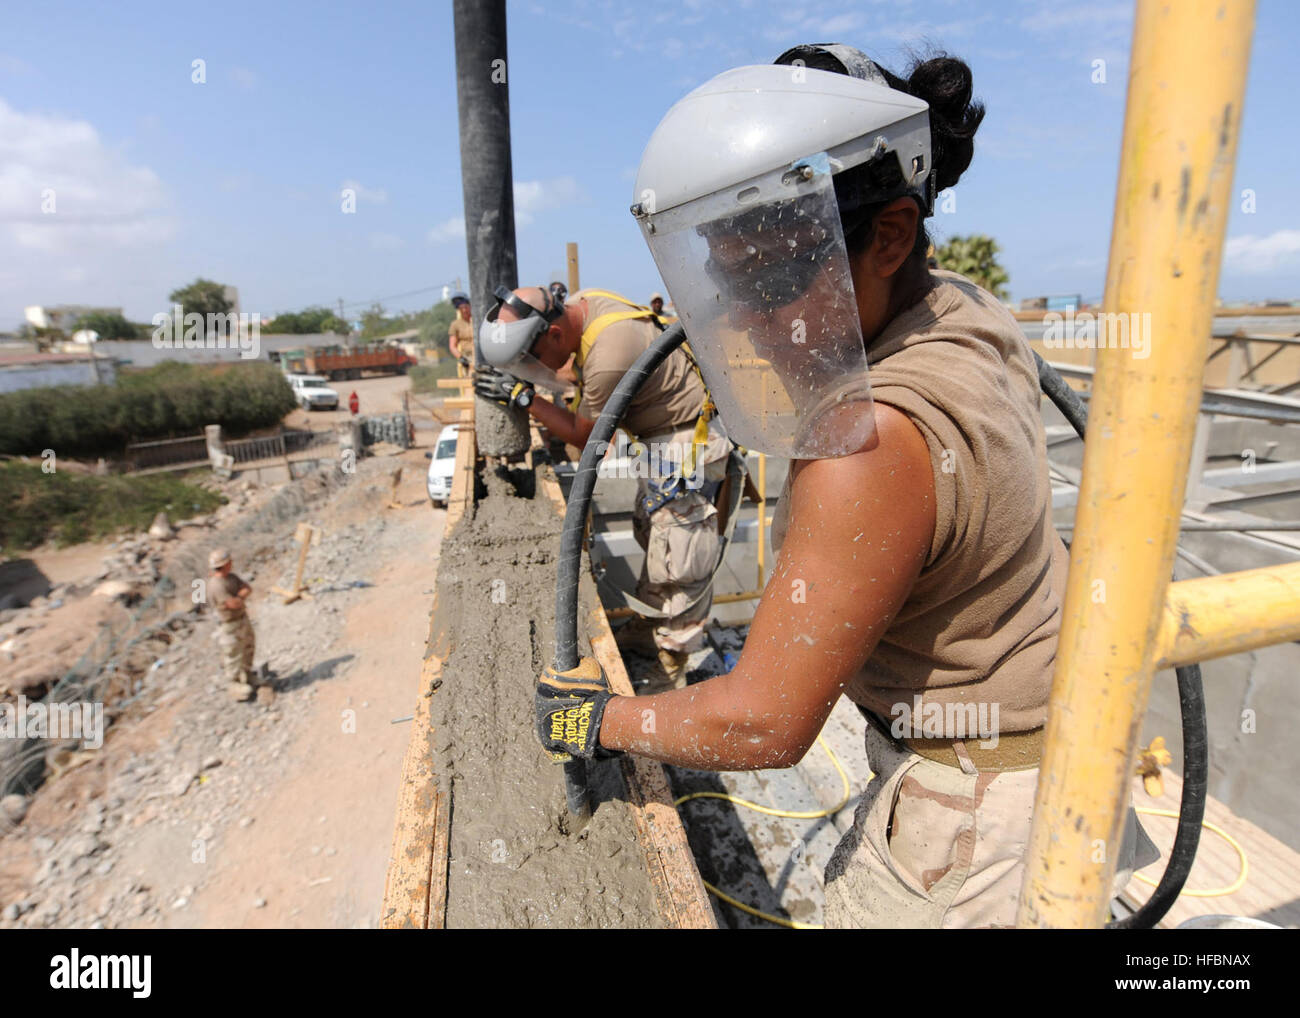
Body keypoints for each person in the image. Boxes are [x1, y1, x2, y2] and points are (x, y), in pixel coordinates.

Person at [534, 44, 1154, 928]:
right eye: (724, 278)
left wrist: (596, 722)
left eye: (775, 276)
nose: (745, 318)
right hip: (1065, 758)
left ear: (890, 235)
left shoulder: (866, 447)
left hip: (982, 817)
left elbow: (764, 725)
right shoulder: (960, 307)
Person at [475, 285, 736, 691]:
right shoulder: (585, 305)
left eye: (534, 359)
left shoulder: (610, 352)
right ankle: (653, 625)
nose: (538, 369)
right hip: (662, 441)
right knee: (654, 538)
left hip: (687, 444)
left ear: (555, 334)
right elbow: (568, 380)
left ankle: (671, 662)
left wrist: (526, 399)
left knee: (681, 558)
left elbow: (587, 436)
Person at [208, 548, 266, 703]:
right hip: (229, 624)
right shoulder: (216, 585)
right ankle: (234, 685)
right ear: (225, 564)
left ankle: (247, 675)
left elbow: (247, 589)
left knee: (248, 646)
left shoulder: (231, 578)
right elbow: (233, 604)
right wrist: (240, 597)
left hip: (241, 619)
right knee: (233, 654)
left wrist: (239, 597)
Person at [448, 291, 474, 375]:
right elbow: (452, 346)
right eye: (461, 308)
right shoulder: (455, 325)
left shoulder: (477, 320)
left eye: (466, 307)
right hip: (468, 358)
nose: (464, 310)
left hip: (482, 356)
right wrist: (461, 358)